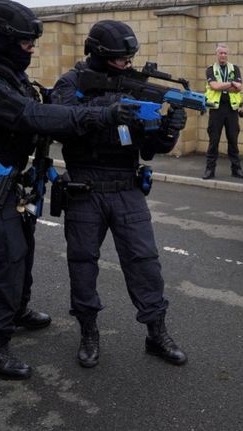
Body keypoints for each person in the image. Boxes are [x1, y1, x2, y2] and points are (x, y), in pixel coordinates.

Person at [0, 0, 139, 381]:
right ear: (2, 38)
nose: (31, 48)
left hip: (8, 180)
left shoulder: (4, 73)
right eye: (26, 41)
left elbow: (35, 106)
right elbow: (28, 116)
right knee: (8, 256)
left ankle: (17, 310)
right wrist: (98, 114)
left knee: (23, 247)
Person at [50, 20, 188, 369]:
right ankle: (88, 332)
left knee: (145, 264)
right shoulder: (72, 83)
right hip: (84, 187)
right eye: (121, 59)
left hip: (126, 186)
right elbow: (61, 120)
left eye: (131, 58)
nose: (129, 63)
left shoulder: (137, 87)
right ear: (98, 54)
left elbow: (150, 149)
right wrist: (108, 112)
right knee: (82, 264)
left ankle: (156, 333)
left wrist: (169, 129)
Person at [203, 43, 243, 180]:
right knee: (213, 140)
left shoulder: (235, 68)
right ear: (217, 54)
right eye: (221, 53)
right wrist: (231, 84)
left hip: (231, 109)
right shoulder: (210, 69)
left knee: (233, 139)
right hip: (216, 109)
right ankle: (210, 170)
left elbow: (239, 88)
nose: (223, 55)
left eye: (225, 53)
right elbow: (214, 86)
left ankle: (236, 169)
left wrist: (224, 86)